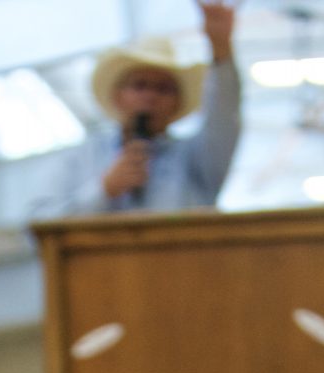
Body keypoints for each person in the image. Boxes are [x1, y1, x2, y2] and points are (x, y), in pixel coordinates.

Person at [33, 3, 241, 217]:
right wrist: (104, 190)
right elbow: (40, 226)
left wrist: (221, 52)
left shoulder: (196, 159)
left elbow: (223, 120)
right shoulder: (78, 160)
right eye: (139, 85)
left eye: (163, 89)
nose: (150, 96)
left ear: (178, 102)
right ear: (117, 96)